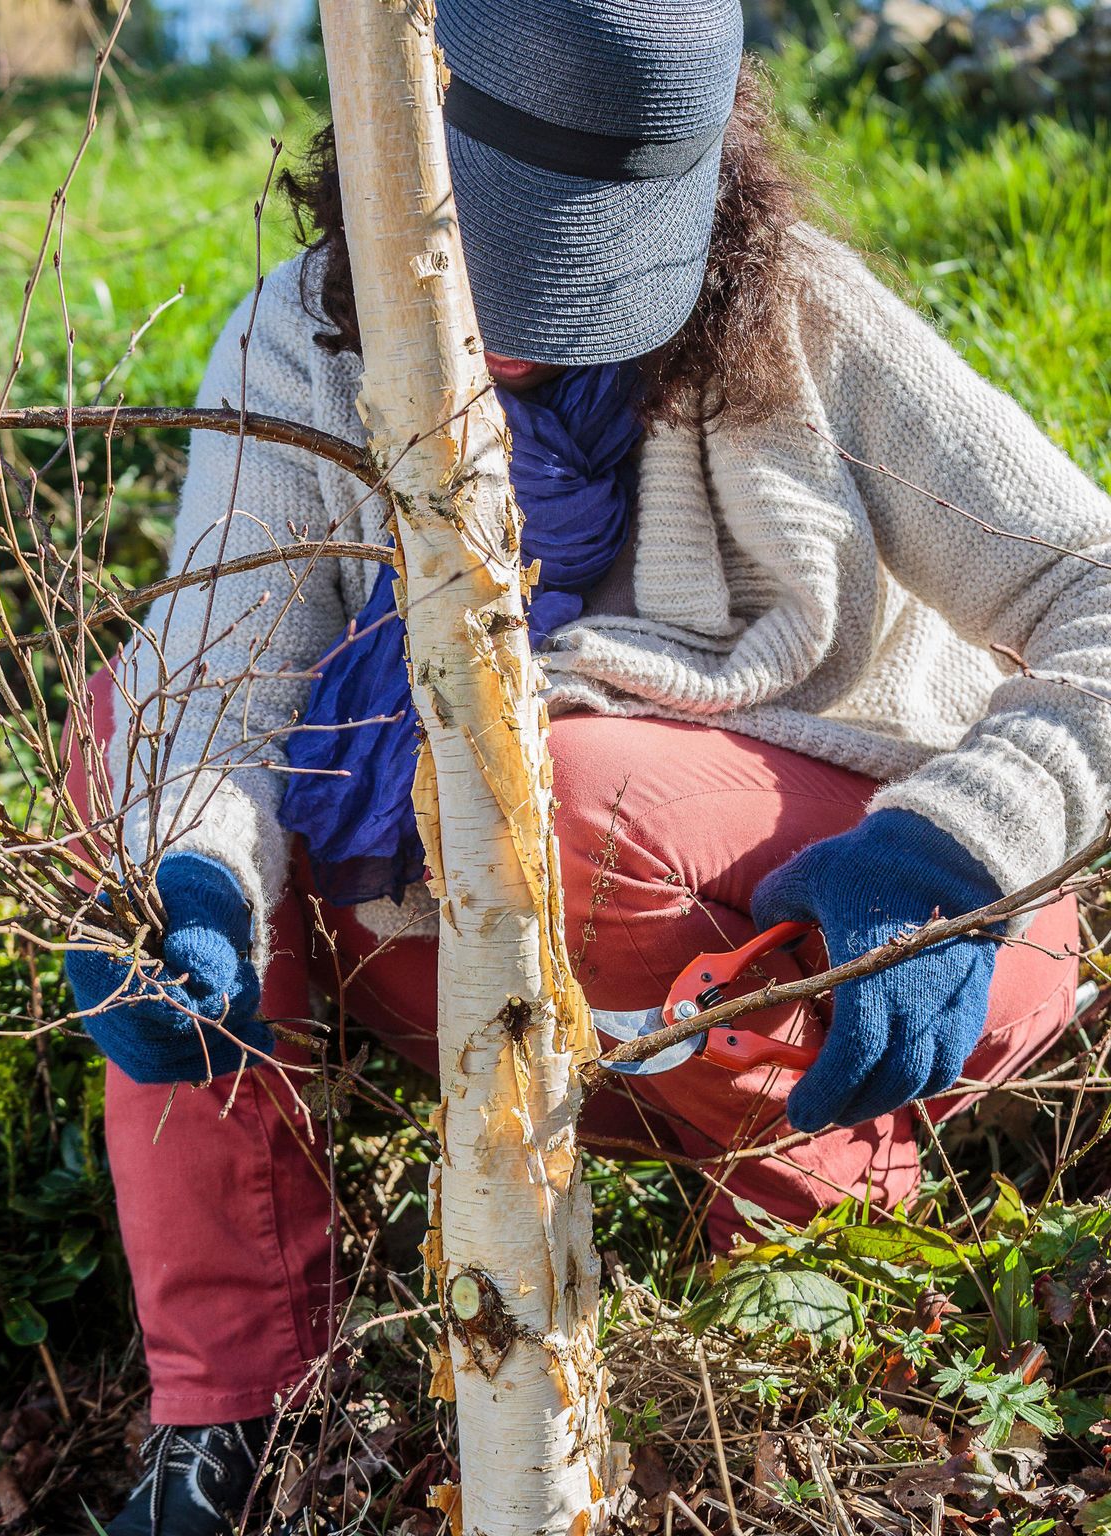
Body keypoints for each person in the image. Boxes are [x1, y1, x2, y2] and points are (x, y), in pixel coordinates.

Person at [64, 0, 1111, 1529]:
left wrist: (949, 855)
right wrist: (195, 886)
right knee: (135, 736)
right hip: (500, 958)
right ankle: (234, 1417)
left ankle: (802, 1339)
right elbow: (215, 673)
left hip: (880, 928)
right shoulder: (299, 334)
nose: (531, 314)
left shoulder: (793, 318)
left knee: (561, 794)